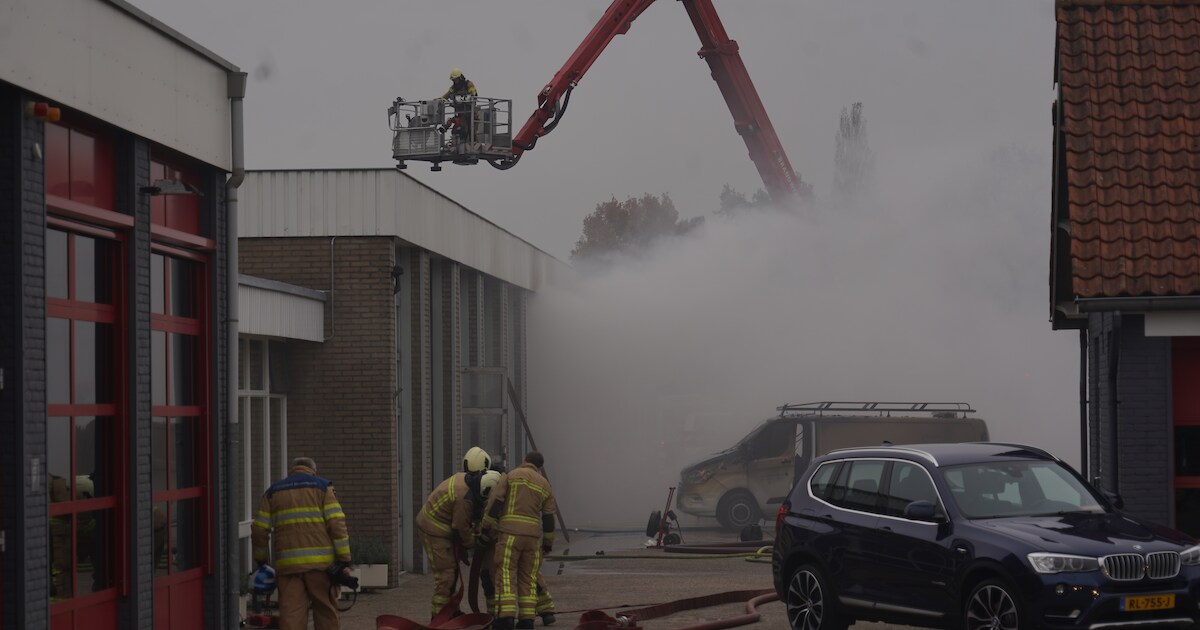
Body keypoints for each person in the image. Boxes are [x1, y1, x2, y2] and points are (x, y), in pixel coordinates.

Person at [252, 457, 352, 630]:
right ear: (313, 470)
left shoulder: (273, 492)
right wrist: (344, 559)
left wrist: (262, 560)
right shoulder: (323, 488)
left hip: (289, 568)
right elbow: (336, 524)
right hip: (321, 568)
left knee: (291, 617)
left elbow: (259, 530)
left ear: (292, 470)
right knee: (326, 612)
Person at [480, 452, 558, 630]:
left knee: (506, 573)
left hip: (510, 535)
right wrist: (547, 544)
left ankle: (506, 617)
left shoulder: (511, 476)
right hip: (532, 539)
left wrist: (485, 527)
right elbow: (548, 518)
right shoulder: (545, 485)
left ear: (525, 460)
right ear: (538, 467)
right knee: (528, 577)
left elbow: (496, 502)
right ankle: (527, 619)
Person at [417, 467, 499, 620]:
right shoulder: (465, 498)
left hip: (442, 528)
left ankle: (451, 611)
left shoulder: (471, 482)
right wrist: (474, 544)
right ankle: (439, 617)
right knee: (446, 575)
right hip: (433, 530)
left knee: (452, 572)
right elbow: (461, 527)